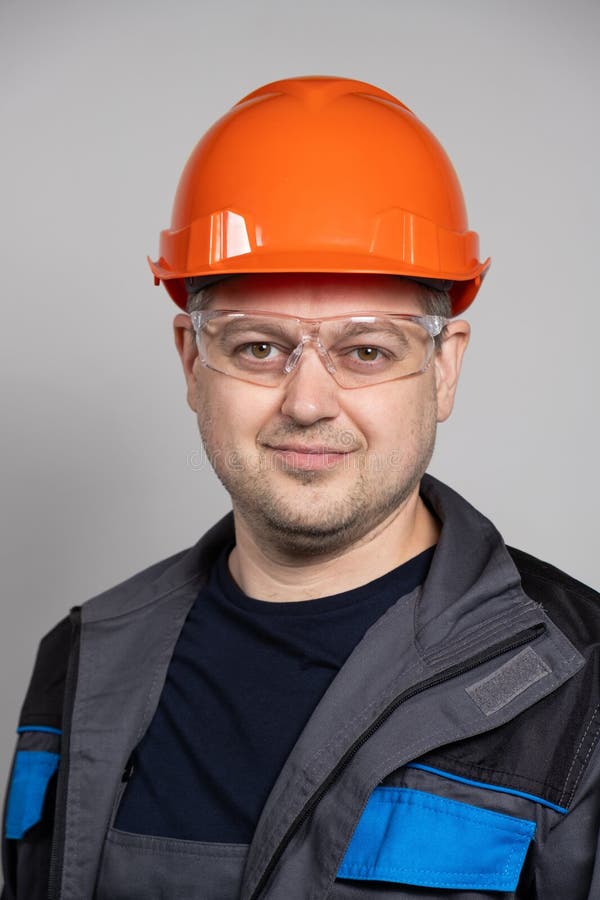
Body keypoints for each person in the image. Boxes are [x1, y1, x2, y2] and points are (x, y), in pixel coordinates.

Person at [2, 76, 599, 900]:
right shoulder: (81, 660)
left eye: (366, 351)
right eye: (257, 347)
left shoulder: (580, 685)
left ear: (444, 368)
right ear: (191, 361)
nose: (308, 402)